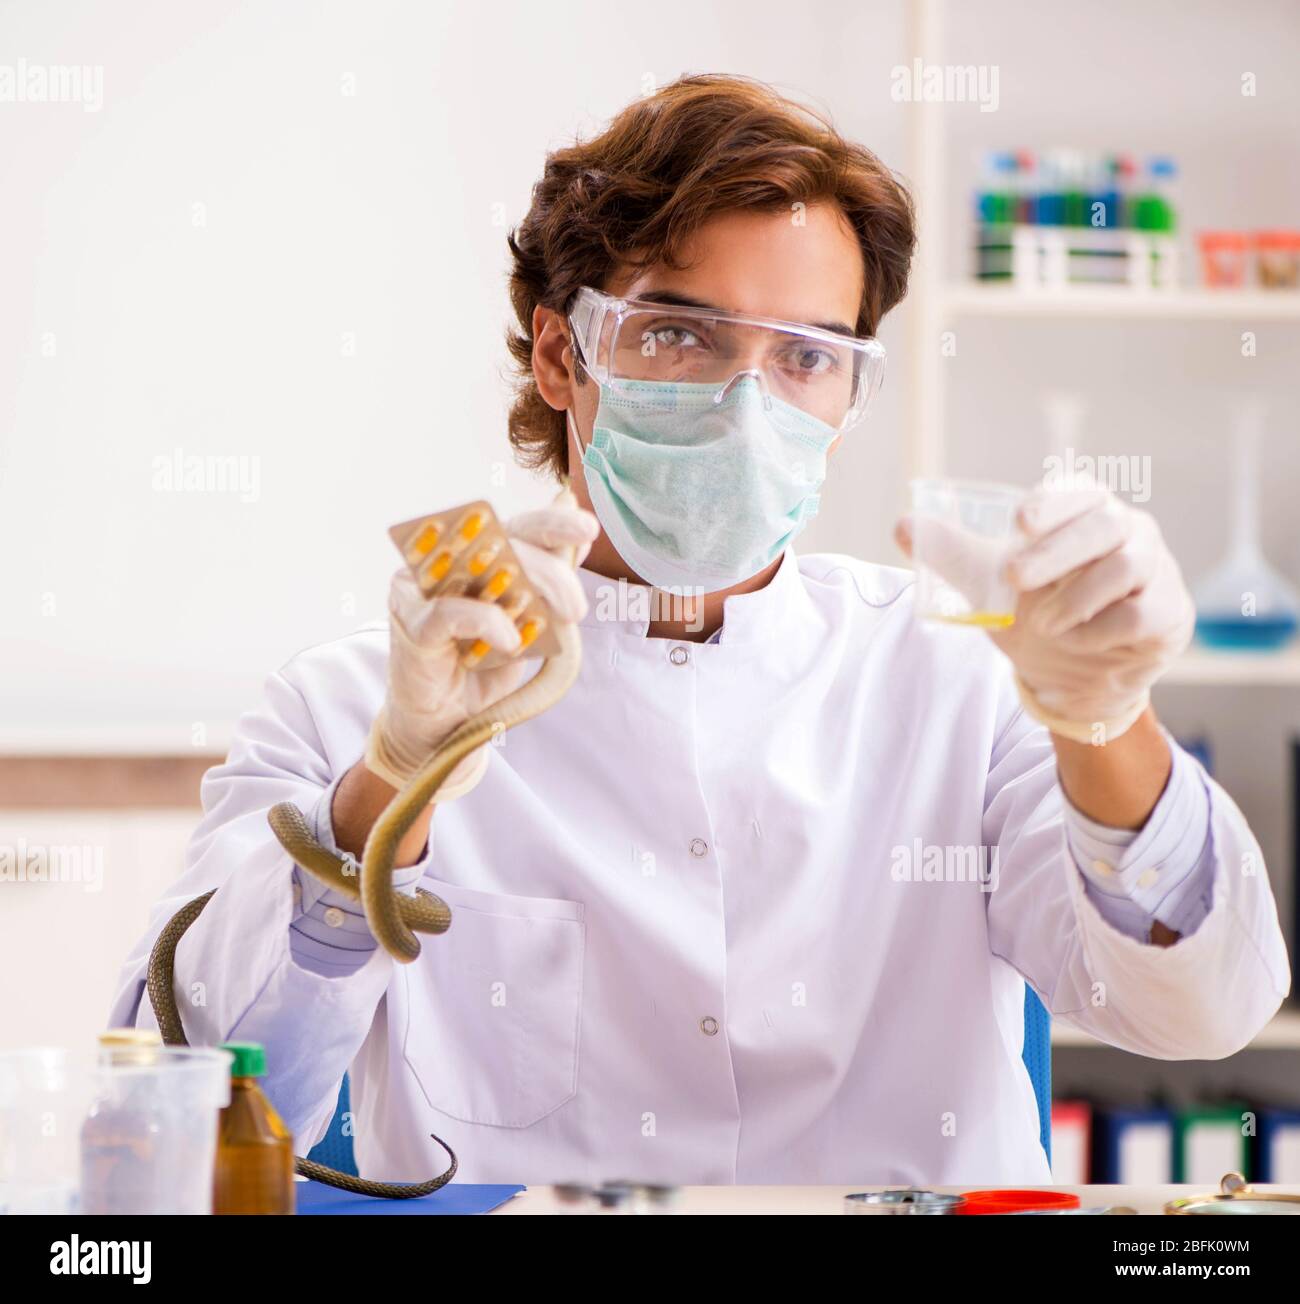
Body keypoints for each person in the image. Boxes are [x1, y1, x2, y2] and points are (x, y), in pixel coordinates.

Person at [111, 74, 1288, 1186]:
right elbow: (186, 1099)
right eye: (680, 335)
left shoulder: (958, 678)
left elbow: (1203, 1005)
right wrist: (392, 784)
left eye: (807, 357)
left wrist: (1102, 715)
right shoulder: (355, 699)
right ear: (564, 353)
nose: (748, 402)